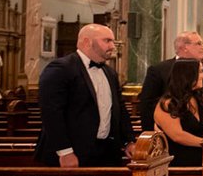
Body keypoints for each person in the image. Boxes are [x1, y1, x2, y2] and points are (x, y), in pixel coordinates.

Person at [34, 24, 135, 168]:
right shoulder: (60, 69)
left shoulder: (110, 73)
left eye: (112, 41)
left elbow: (120, 109)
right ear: (87, 42)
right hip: (73, 153)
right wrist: (65, 152)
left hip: (107, 153)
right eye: (107, 41)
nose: (113, 46)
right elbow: (51, 114)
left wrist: (128, 141)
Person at [138, 30, 203, 131]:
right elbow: (147, 105)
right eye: (198, 43)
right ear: (185, 47)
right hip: (169, 133)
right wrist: (151, 134)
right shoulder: (159, 70)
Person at [153, 58, 203, 167]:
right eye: (200, 72)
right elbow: (177, 136)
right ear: (187, 75)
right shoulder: (168, 103)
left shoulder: (199, 99)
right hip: (179, 164)